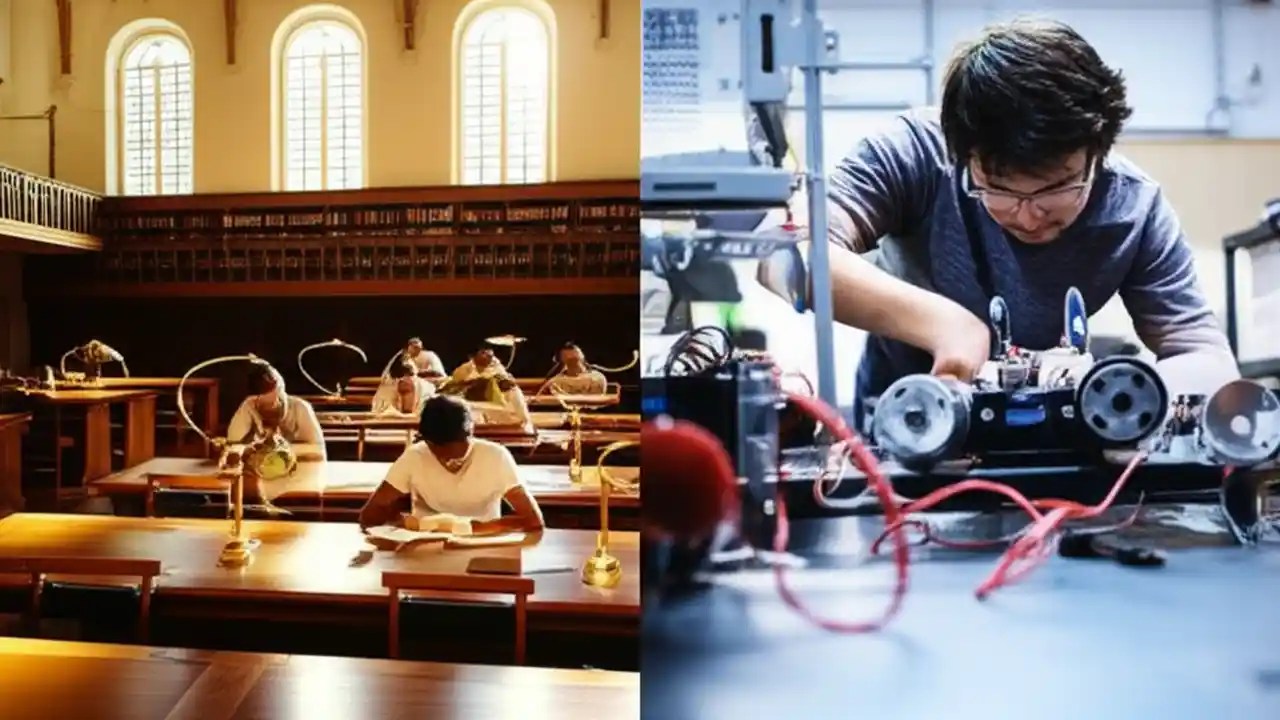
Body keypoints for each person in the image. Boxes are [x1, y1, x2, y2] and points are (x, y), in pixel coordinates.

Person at [756, 18, 1238, 426]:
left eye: (1057, 187)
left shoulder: (1135, 209)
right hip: (908, 423)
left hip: (1056, 433)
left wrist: (1101, 388)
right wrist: (946, 325)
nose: (1028, 215)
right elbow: (777, 253)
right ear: (962, 155)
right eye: (999, 188)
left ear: (1099, 152)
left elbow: (1206, 358)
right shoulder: (916, 153)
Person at [357, 395, 545, 533]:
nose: (449, 462)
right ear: (427, 442)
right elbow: (369, 514)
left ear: (471, 434)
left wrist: (475, 528)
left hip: (482, 543)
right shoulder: (415, 456)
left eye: (457, 453)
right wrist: (404, 523)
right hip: (424, 546)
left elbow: (533, 520)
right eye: (439, 453)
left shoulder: (495, 456)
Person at [226, 360, 326, 459]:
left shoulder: (300, 408)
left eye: (272, 402)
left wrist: (282, 450)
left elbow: (318, 450)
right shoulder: (250, 406)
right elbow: (232, 444)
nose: (268, 408)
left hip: (302, 468)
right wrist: (246, 409)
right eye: (262, 404)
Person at [442, 344, 532, 431]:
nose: (487, 355)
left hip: (497, 407)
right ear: (472, 357)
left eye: (489, 352)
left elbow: (507, 388)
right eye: (483, 352)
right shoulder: (463, 370)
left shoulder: (498, 371)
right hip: (472, 405)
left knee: (514, 393)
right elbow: (453, 387)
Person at [542, 342, 608, 395]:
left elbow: (597, 399)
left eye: (574, 354)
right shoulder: (555, 382)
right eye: (567, 356)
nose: (571, 356)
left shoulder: (597, 378)